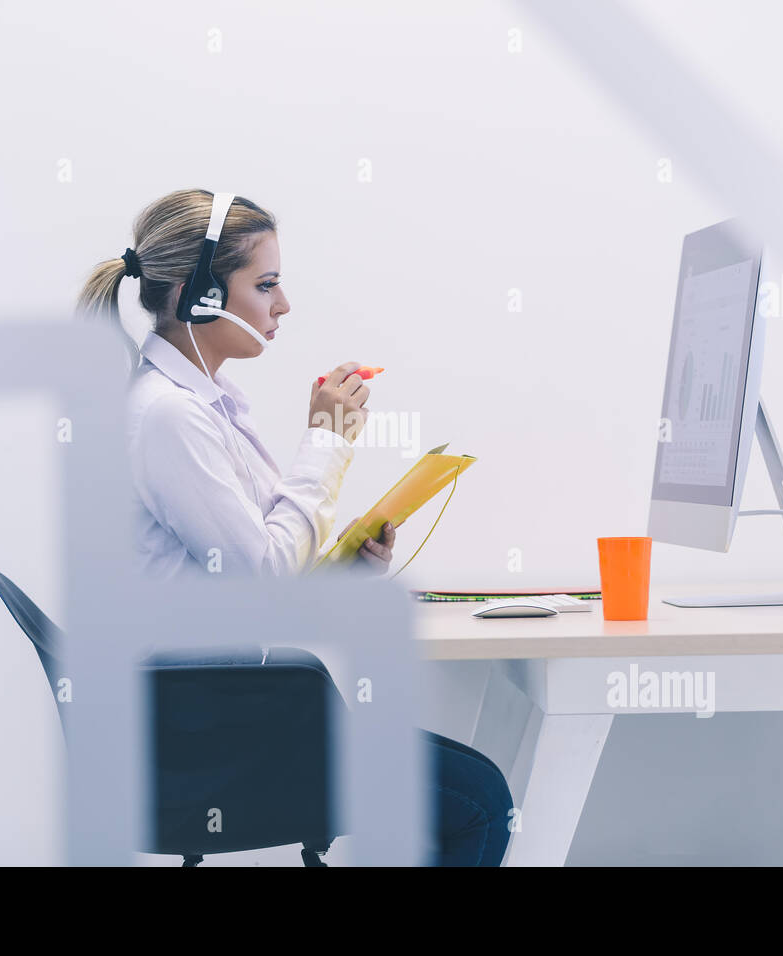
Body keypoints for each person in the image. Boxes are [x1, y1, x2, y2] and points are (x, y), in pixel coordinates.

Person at [78, 188, 512, 866]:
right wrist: (328, 439)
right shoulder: (169, 417)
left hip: (220, 713)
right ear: (202, 295)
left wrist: (342, 565)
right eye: (267, 284)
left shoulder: (204, 405)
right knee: (479, 801)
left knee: (471, 790)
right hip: (204, 737)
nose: (283, 306)